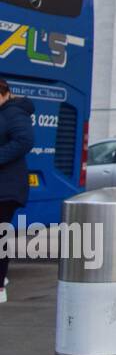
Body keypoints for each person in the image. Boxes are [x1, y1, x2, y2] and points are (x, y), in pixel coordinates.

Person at [0, 78, 36, 305]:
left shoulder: (13, 113)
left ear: (4, 93)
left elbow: (25, 141)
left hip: (6, 187)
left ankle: (0, 285)